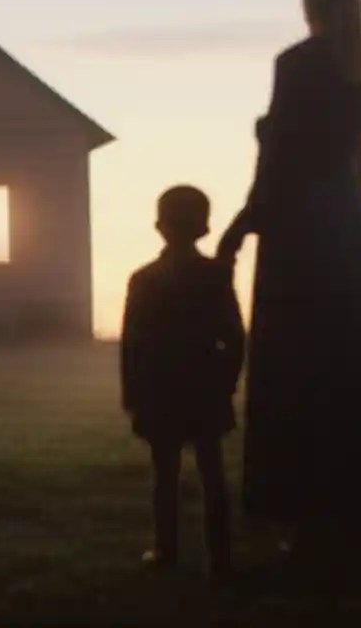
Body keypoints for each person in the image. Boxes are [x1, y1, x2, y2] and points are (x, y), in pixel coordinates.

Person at [216, 0, 361, 555]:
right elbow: (344, 150)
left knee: (300, 369)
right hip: (350, 223)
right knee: (354, 365)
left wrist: (241, 226)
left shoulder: (297, 63)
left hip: (301, 231)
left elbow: (280, 157)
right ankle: (359, 508)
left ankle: (307, 514)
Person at [122, 186, 245, 580]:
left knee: (165, 475)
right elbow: (235, 336)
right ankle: (220, 557)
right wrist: (226, 382)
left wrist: (133, 393)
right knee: (213, 473)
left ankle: (167, 549)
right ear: (204, 227)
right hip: (206, 388)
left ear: (160, 226)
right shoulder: (216, 276)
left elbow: (133, 344)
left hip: (160, 391)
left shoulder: (143, 280)